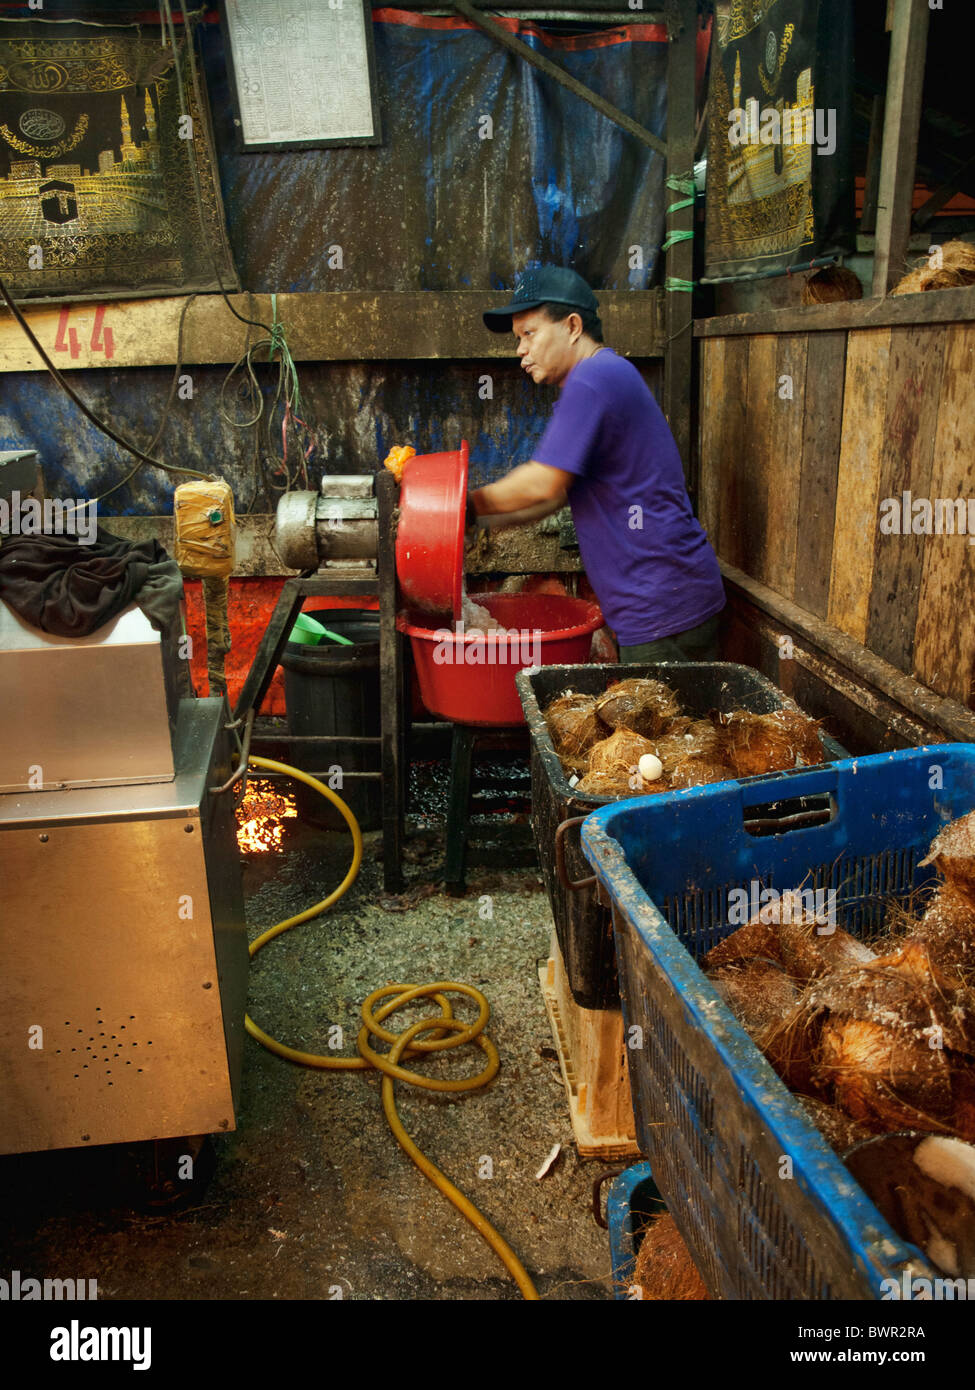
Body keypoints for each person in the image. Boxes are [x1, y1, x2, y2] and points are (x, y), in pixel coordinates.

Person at [468, 266, 725, 663]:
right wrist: (478, 523)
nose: (520, 349)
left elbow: (543, 483)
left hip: (662, 609)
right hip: (666, 604)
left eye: (530, 333)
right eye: (518, 338)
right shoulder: (601, 376)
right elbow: (551, 499)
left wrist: (464, 506)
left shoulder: (594, 378)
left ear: (572, 326)